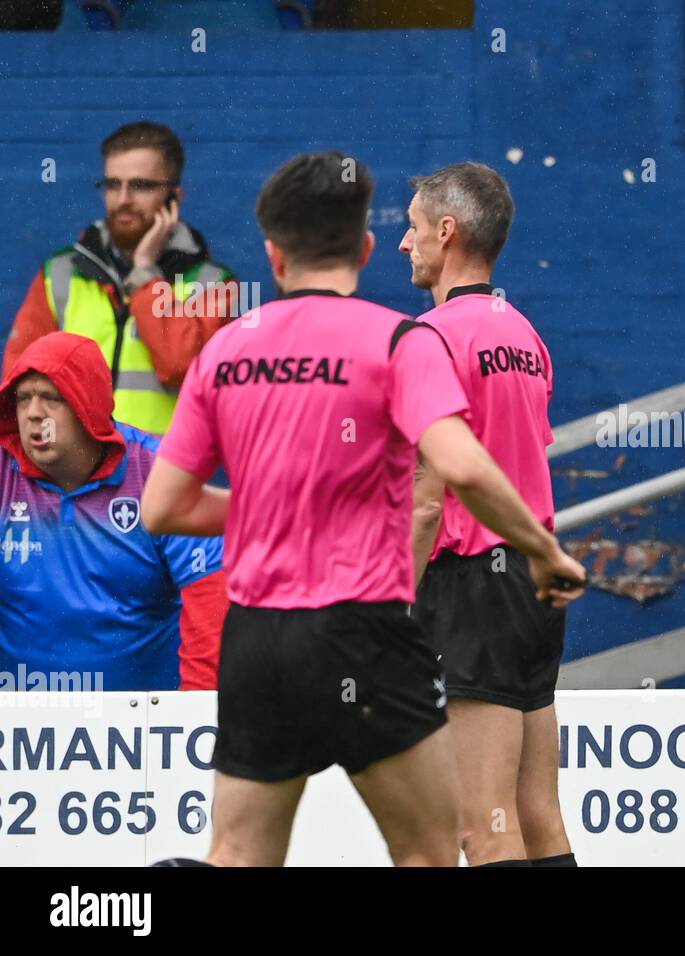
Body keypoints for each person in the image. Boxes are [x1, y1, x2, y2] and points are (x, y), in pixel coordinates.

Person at [141, 151, 586, 868]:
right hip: (376, 632)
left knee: (236, 853)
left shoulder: (226, 350)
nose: (406, 243)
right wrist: (541, 549)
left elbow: (161, 507)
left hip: (262, 638)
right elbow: (462, 465)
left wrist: (279, 510)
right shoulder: (413, 339)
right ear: (366, 247)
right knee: (448, 844)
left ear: (272, 253)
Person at [399, 162, 575, 867]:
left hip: (469, 584)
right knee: (538, 819)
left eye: (413, 230)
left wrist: (392, 605)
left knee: (483, 825)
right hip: (533, 586)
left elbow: (426, 493)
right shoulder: (524, 334)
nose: (403, 246)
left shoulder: (429, 337)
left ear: (448, 233)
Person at [0, 332, 226, 691]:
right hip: (18, 729)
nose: (32, 414)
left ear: (86, 407)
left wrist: (193, 713)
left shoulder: (158, 472)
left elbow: (209, 597)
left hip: (146, 729)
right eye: (23, 399)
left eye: (51, 399)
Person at [4, 121, 237, 435]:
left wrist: (145, 273)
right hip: (75, 474)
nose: (123, 199)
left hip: (162, 474)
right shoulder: (60, 273)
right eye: (113, 184)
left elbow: (179, 366)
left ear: (175, 197)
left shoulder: (215, 284)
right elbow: (19, 378)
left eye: (140, 185)